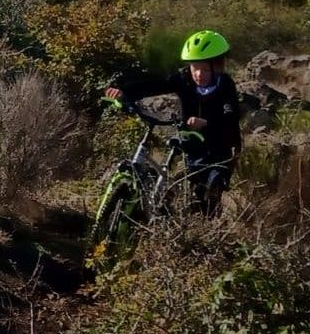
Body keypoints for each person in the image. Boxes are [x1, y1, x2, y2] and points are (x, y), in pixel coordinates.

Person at [103, 29, 242, 217]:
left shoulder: (226, 86)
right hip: (193, 144)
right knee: (185, 188)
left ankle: (208, 229)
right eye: (195, 68)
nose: (199, 74)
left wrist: (207, 123)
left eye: (205, 69)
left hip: (220, 147)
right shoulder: (184, 79)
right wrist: (125, 91)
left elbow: (231, 118)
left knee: (210, 189)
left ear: (217, 67)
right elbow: (155, 85)